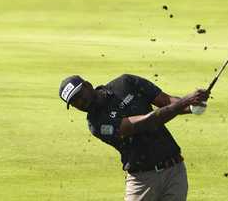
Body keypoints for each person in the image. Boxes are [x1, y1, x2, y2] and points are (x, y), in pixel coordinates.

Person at [59, 73, 208, 201]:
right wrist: (185, 101)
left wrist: (192, 107)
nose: (79, 103)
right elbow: (146, 123)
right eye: (73, 103)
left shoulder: (125, 83)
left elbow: (166, 101)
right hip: (143, 180)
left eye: (79, 96)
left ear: (87, 85)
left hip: (175, 171)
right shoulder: (97, 124)